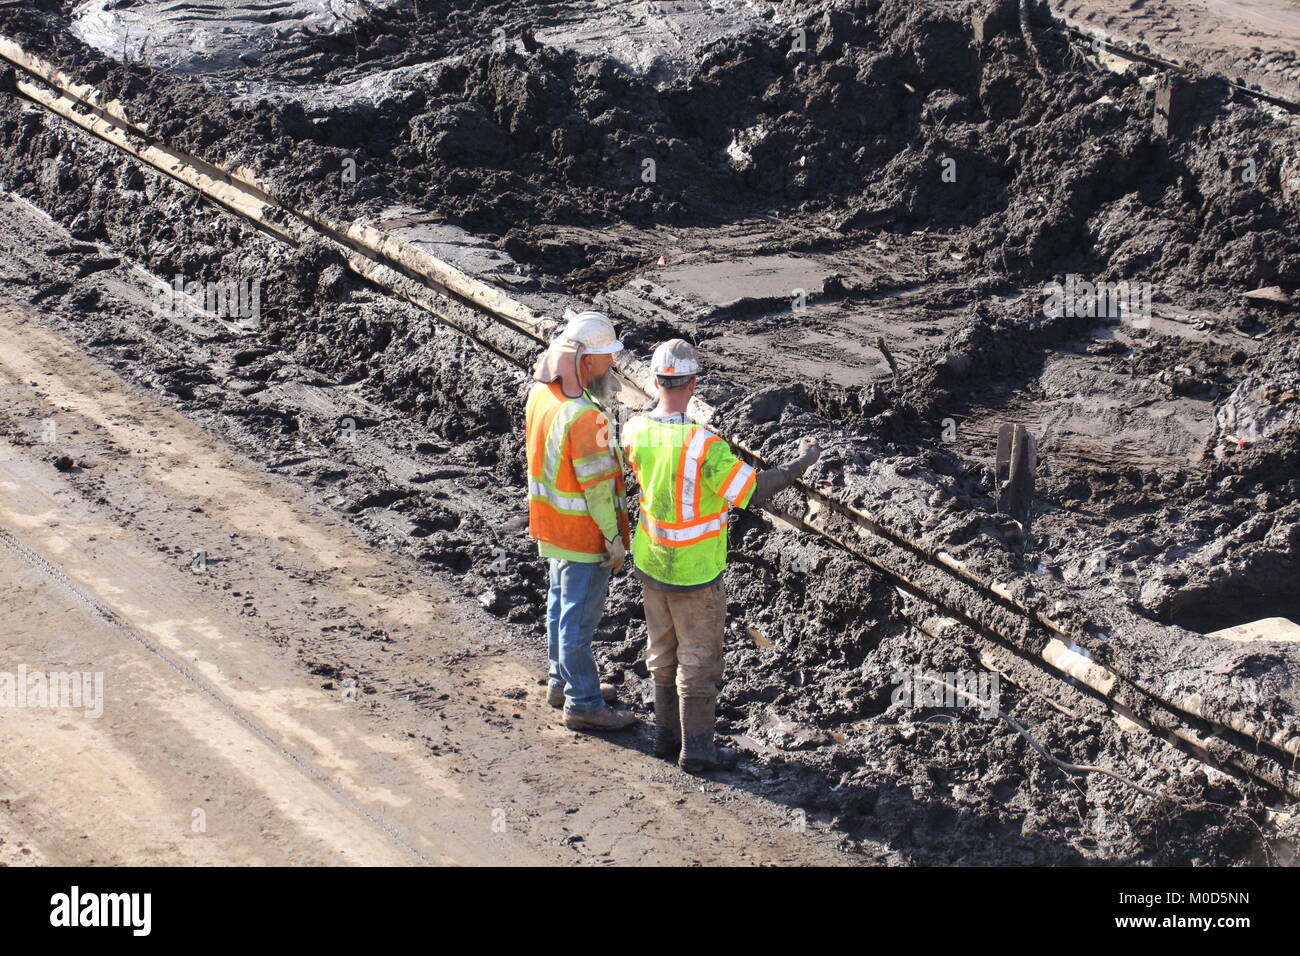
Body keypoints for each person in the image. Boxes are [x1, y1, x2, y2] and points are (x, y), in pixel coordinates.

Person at [622, 339, 820, 771]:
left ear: (655, 381)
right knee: (698, 661)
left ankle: (664, 737)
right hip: (695, 571)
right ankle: (697, 751)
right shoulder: (703, 446)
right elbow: (752, 490)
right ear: (693, 384)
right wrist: (800, 464)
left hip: (651, 561)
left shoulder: (634, 430)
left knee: (661, 651)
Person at [525, 310, 637, 731]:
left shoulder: (543, 396)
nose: (613, 366)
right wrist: (613, 539)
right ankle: (584, 703)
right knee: (578, 619)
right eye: (608, 357)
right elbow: (596, 488)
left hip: (551, 525)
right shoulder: (586, 417)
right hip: (582, 534)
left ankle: (561, 681)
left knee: (559, 606)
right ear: (586, 361)